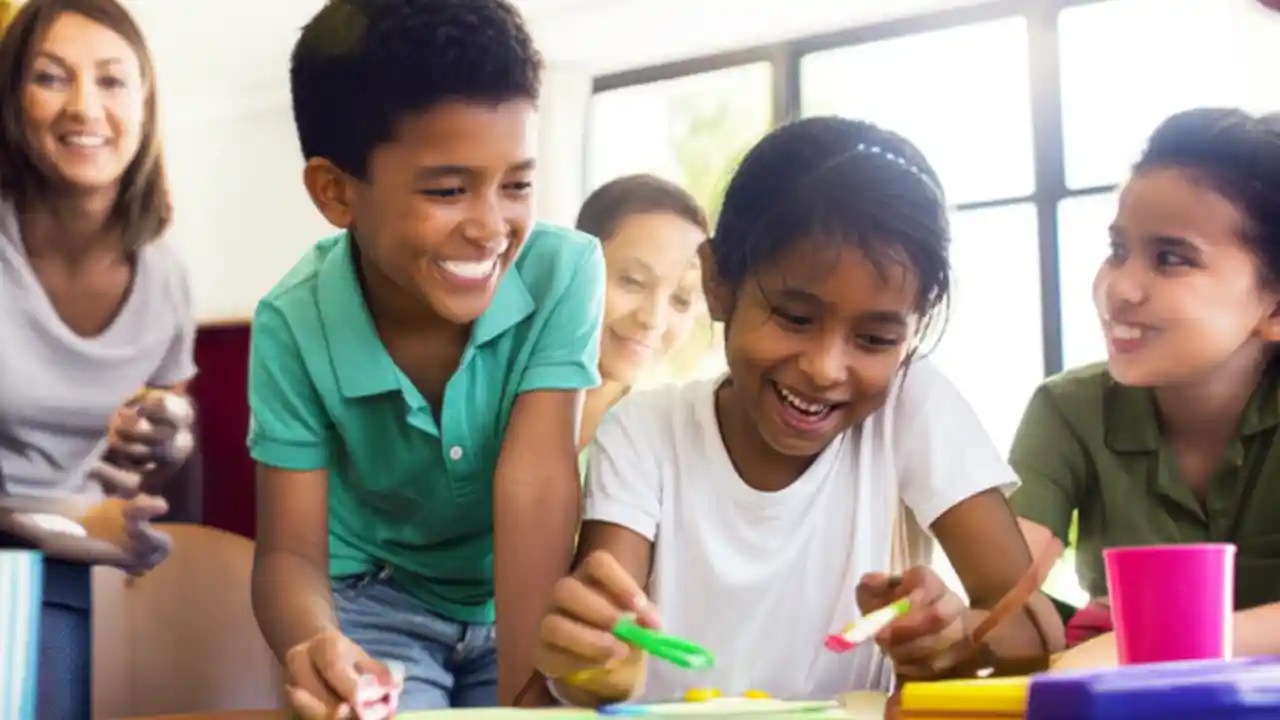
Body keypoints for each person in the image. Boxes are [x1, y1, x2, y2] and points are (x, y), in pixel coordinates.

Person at [533, 117, 1063, 706]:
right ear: (717, 282)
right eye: (794, 318)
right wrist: (590, 662)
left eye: (875, 339)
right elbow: (601, 635)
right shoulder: (644, 432)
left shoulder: (910, 405)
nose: (825, 367)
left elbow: (1034, 625)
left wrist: (960, 635)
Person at [247, 0, 603, 714]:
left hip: (518, 595)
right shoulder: (293, 322)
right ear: (336, 191)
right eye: (447, 190)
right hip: (376, 605)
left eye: (518, 185)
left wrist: (530, 690)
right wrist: (315, 643)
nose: (490, 226)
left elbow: (535, 483)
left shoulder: (565, 271)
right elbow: (289, 553)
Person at [1010, 108, 1280, 650]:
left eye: (1171, 258)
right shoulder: (1069, 409)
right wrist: (948, 618)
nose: (1120, 289)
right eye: (1117, 251)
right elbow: (1007, 585)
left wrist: (1145, 644)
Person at [0, 0, 197, 717]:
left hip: (92, 569)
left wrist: (169, 429)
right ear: (11, 97)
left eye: (112, 80)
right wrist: (67, 526)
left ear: (143, 103)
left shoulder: (166, 274)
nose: (85, 106)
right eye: (51, 78)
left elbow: (163, 449)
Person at [574, 174, 708, 455]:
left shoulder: (659, 444)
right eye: (632, 281)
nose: (653, 320)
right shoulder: (490, 386)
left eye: (681, 300)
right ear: (573, 266)